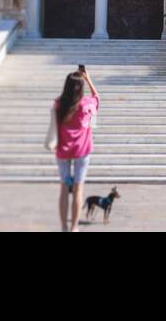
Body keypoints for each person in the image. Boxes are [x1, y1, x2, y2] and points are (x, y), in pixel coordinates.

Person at [53, 65, 99, 231]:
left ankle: (64, 227)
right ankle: (74, 227)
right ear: (81, 87)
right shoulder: (88, 105)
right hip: (82, 150)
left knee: (64, 188)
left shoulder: (58, 104)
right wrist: (88, 79)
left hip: (63, 150)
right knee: (78, 190)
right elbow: (97, 97)